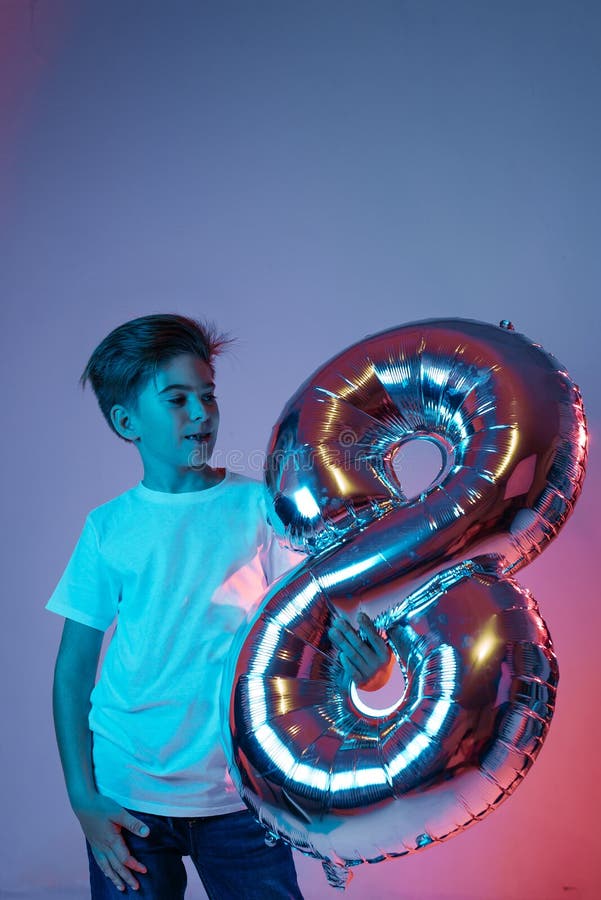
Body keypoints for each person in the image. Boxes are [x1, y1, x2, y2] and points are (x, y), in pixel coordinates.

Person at [46, 313, 394, 899]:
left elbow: (317, 628)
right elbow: (74, 670)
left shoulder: (261, 508)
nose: (202, 414)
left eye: (207, 396)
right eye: (177, 400)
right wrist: (82, 796)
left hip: (242, 795)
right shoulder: (109, 528)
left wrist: (374, 669)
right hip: (129, 796)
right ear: (126, 421)